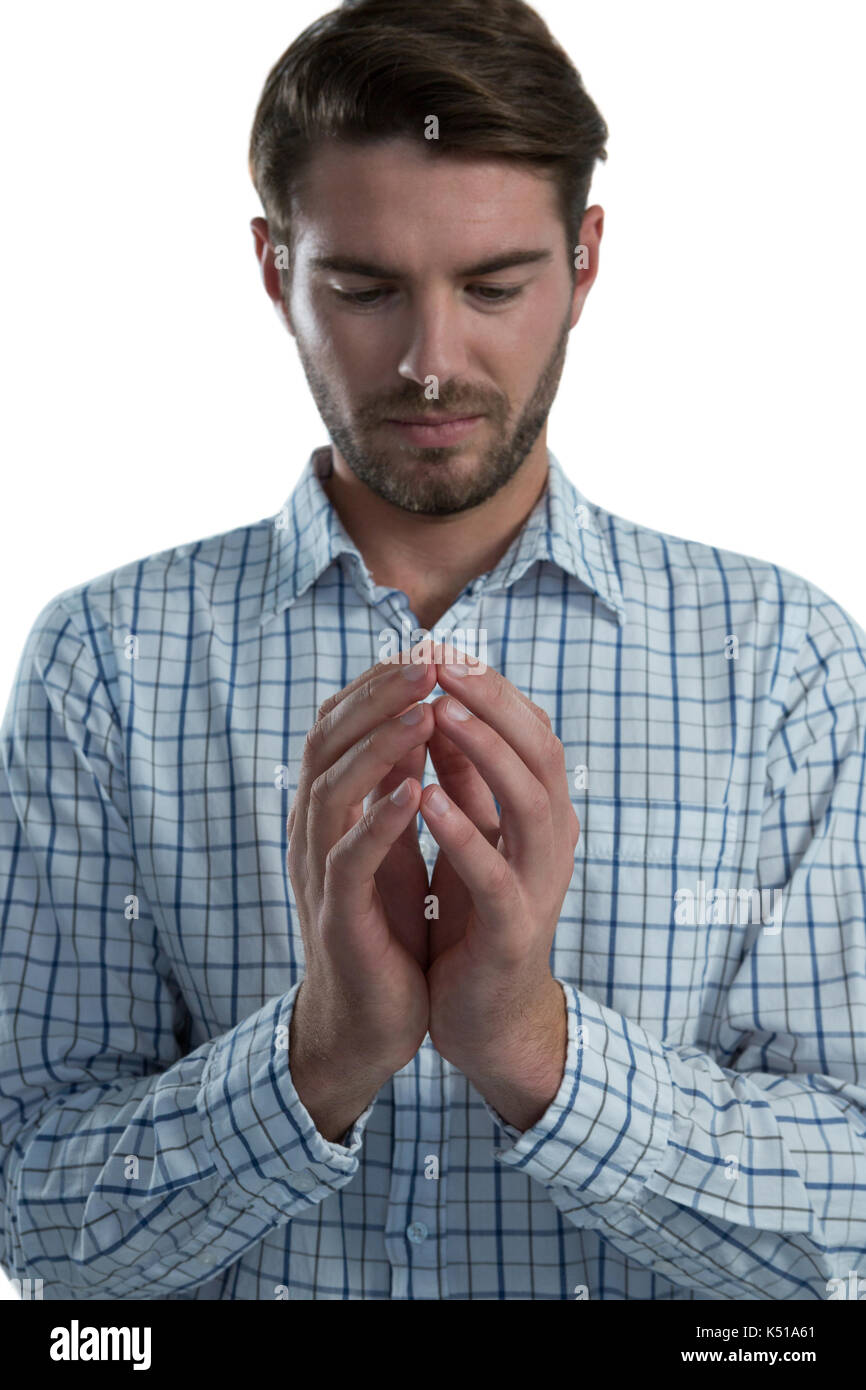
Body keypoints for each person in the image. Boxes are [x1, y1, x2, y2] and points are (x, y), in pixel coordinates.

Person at [1, 0, 865, 1302]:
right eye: (361, 287)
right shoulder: (106, 664)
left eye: (494, 286)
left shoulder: (779, 661)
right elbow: (37, 1214)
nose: (427, 362)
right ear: (270, 263)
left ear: (583, 259)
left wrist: (541, 1053)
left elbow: (849, 1217)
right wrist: (315, 1058)